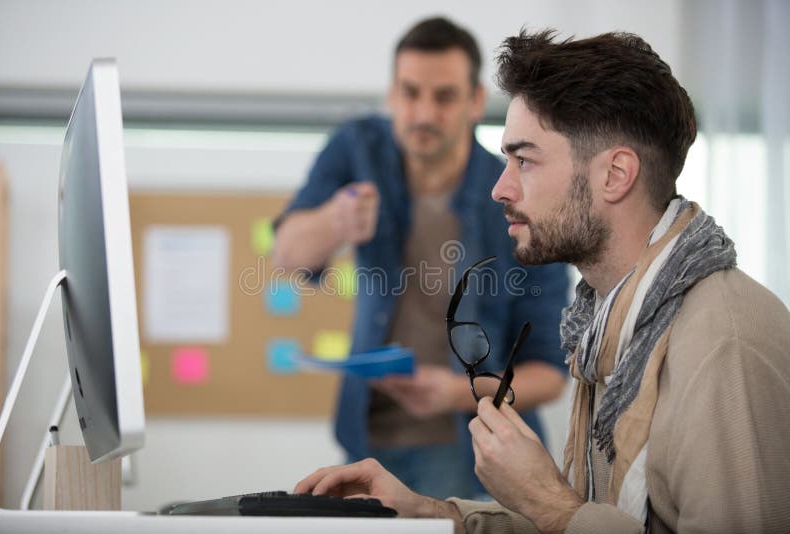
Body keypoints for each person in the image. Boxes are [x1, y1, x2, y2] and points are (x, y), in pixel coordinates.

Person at [293, 28, 790, 533]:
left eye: (525, 160)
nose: (500, 188)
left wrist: (547, 500)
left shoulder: (725, 343)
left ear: (615, 175)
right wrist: (431, 513)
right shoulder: (608, 329)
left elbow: (570, 518)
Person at [272, 17, 570, 499]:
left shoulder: (518, 198)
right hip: (367, 437)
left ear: (476, 101)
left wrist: (453, 392)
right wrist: (335, 221)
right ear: (391, 94)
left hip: (474, 453)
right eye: (410, 93)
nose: (424, 113)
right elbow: (286, 255)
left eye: (444, 96)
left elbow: (551, 375)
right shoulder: (358, 148)